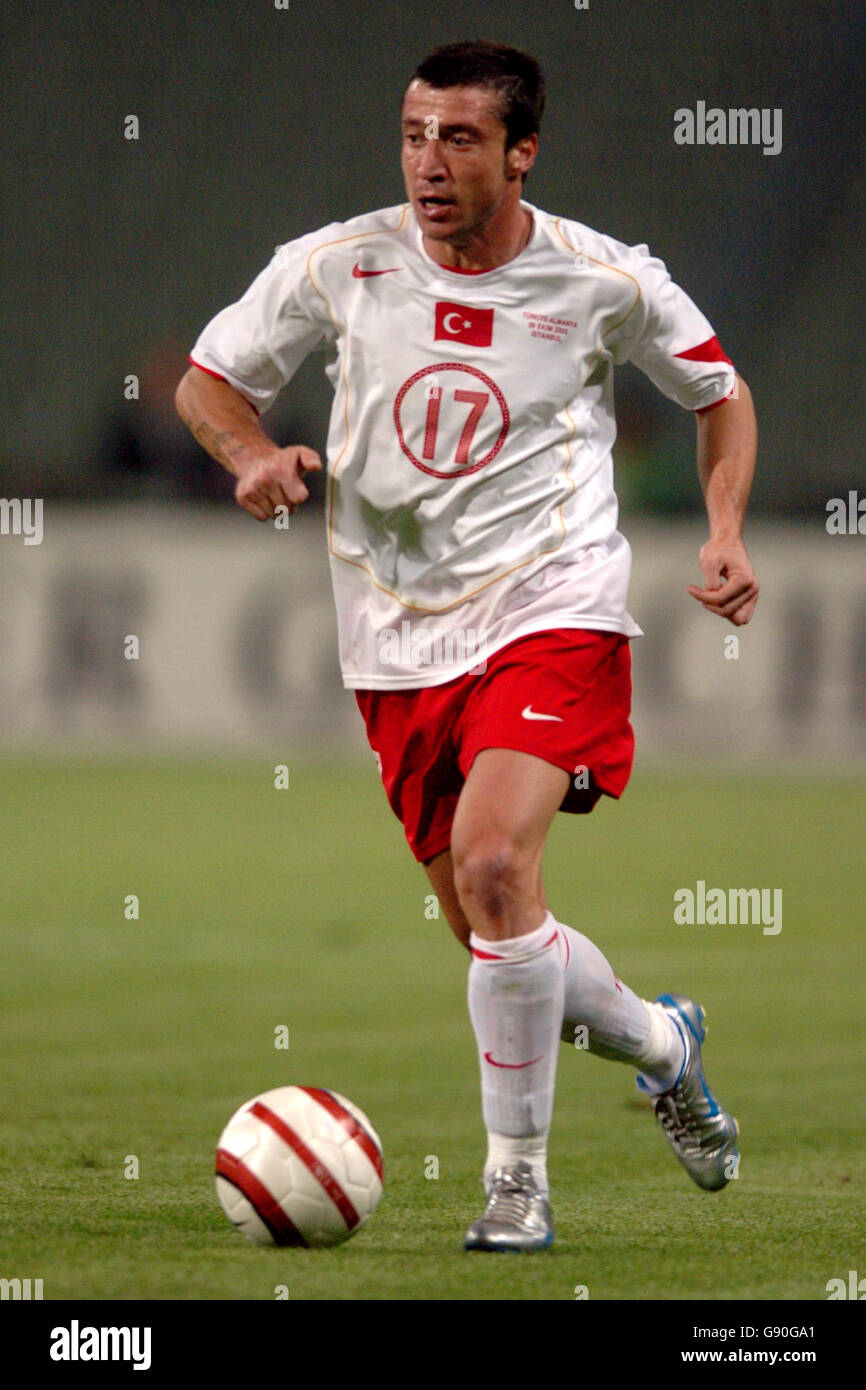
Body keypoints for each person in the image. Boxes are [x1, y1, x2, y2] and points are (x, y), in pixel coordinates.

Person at [175, 40, 758, 1253]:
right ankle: (661, 1041)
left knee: (495, 864)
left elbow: (717, 392)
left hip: (554, 606)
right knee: (494, 924)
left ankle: (515, 1185)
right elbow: (209, 380)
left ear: (519, 151)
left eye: (456, 139)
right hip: (392, 642)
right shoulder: (341, 263)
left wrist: (720, 530)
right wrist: (252, 458)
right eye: (411, 134)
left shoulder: (604, 278)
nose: (426, 164)